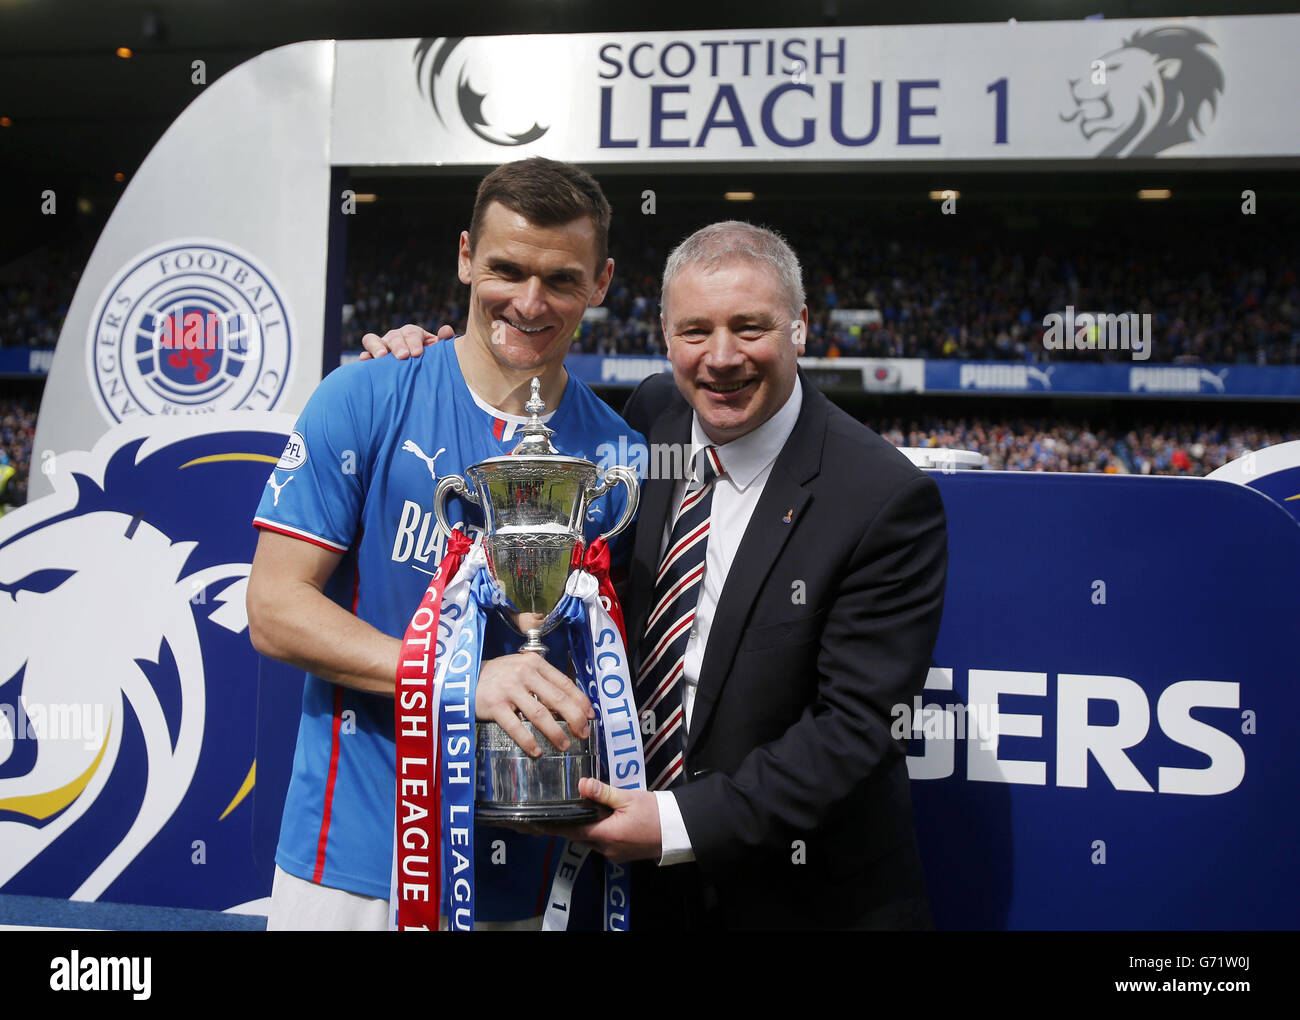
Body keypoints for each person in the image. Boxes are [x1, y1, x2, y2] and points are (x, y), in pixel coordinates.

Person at [363, 220, 948, 929]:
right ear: (665, 335)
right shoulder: (650, 420)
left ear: (799, 329)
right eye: (695, 330)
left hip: (800, 896)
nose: (722, 357)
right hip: (636, 893)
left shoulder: (882, 497)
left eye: (751, 327)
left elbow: (858, 729)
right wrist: (426, 355)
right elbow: (504, 377)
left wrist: (673, 823)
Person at [245, 157, 640, 930]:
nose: (529, 302)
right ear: (465, 257)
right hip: (356, 869)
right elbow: (273, 608)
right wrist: (457, 679)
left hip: (533, 874)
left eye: (562, 280)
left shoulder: (618, 458)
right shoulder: (365, 393)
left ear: (601, 283)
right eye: (505, 269)